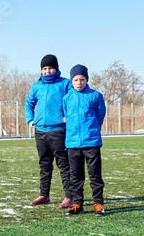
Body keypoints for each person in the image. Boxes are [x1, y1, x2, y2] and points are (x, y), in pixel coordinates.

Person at [25, 54, 72, 208]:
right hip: (40, 132)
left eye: (50, 68)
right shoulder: (36, 86)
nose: (47, 71)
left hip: (58, 130)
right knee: (44, 164)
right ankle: (44, 195)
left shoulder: (65, 83)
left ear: (56, 68)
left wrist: (66, 116)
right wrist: (30, 120)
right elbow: (29, 103)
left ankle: (69, 196)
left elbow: (72, 101)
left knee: (63, 164)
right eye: (44, 68)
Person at [61, 64, 106, 216]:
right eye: (76, 79)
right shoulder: (67, 98)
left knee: (95, 175)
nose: (79, 82)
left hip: (91, 142)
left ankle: (98, 203)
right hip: (72, 143)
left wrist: (92, 130)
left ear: (87, 79)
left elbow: (100, 116)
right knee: (75, 175)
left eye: (82, 79)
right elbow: (66, 115)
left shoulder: (95, 96)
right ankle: (77, 204)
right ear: (71, 81)